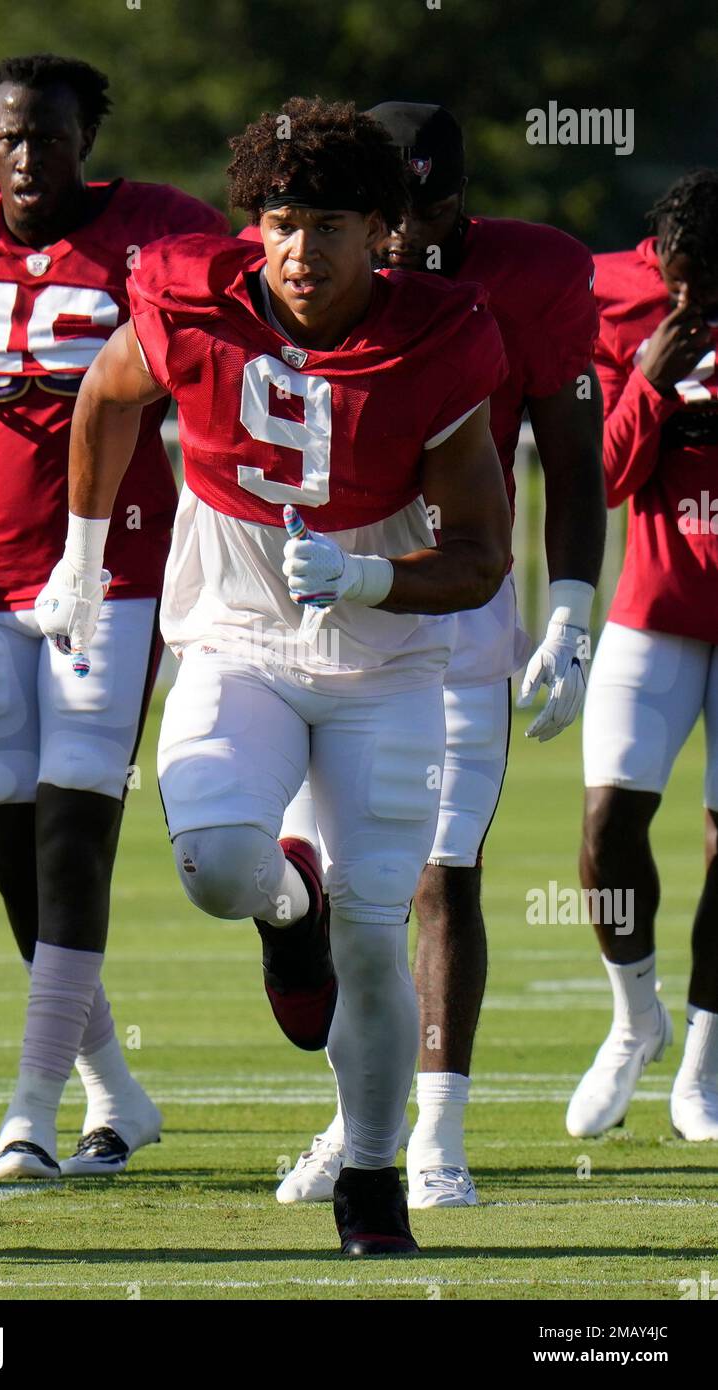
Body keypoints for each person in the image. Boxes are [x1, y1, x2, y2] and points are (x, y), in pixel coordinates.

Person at [34, 95, 511, 1256]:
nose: (302, 251)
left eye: (332, 226)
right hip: (236, 635)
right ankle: (277, 911)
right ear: (256, 226)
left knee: (372, 931)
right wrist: (83, 562)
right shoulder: (194, 297)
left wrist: (366, 579)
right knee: (215, 866)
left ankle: (370, 1171)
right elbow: (104, 398)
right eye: (284, 223)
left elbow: (482, 554)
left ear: (381, 230)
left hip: (383, 663)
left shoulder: (437, 337)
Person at [0, 52, 227, 1180]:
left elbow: (215, 390)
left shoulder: (156, 238)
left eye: (52, 135)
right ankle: (112, 1089)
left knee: (77, 829)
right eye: (10, 136)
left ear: (89, 138)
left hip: (112, 574)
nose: (29, 158)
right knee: (12, 843)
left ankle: (28, 1103)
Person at [277, 102, 605, 1208]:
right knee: (337, 897)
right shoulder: (296, 271)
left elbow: (568, 448)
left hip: (458, 622)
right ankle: (351, 1119)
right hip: (324, 629)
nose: (409, 239)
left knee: (438, 876)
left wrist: (567, 611)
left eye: (431, 210)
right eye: (392, 215)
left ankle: (436, 1135)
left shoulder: (526, 278)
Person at [567, 169, 718, 1142]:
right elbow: (605, 477)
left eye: (703, 287)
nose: (685, 301)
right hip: (652, 606)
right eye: (675, 279)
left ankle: (702, 1063)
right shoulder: (617, 299)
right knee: (604, 832)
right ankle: (634, 1020)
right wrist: (652, 388)